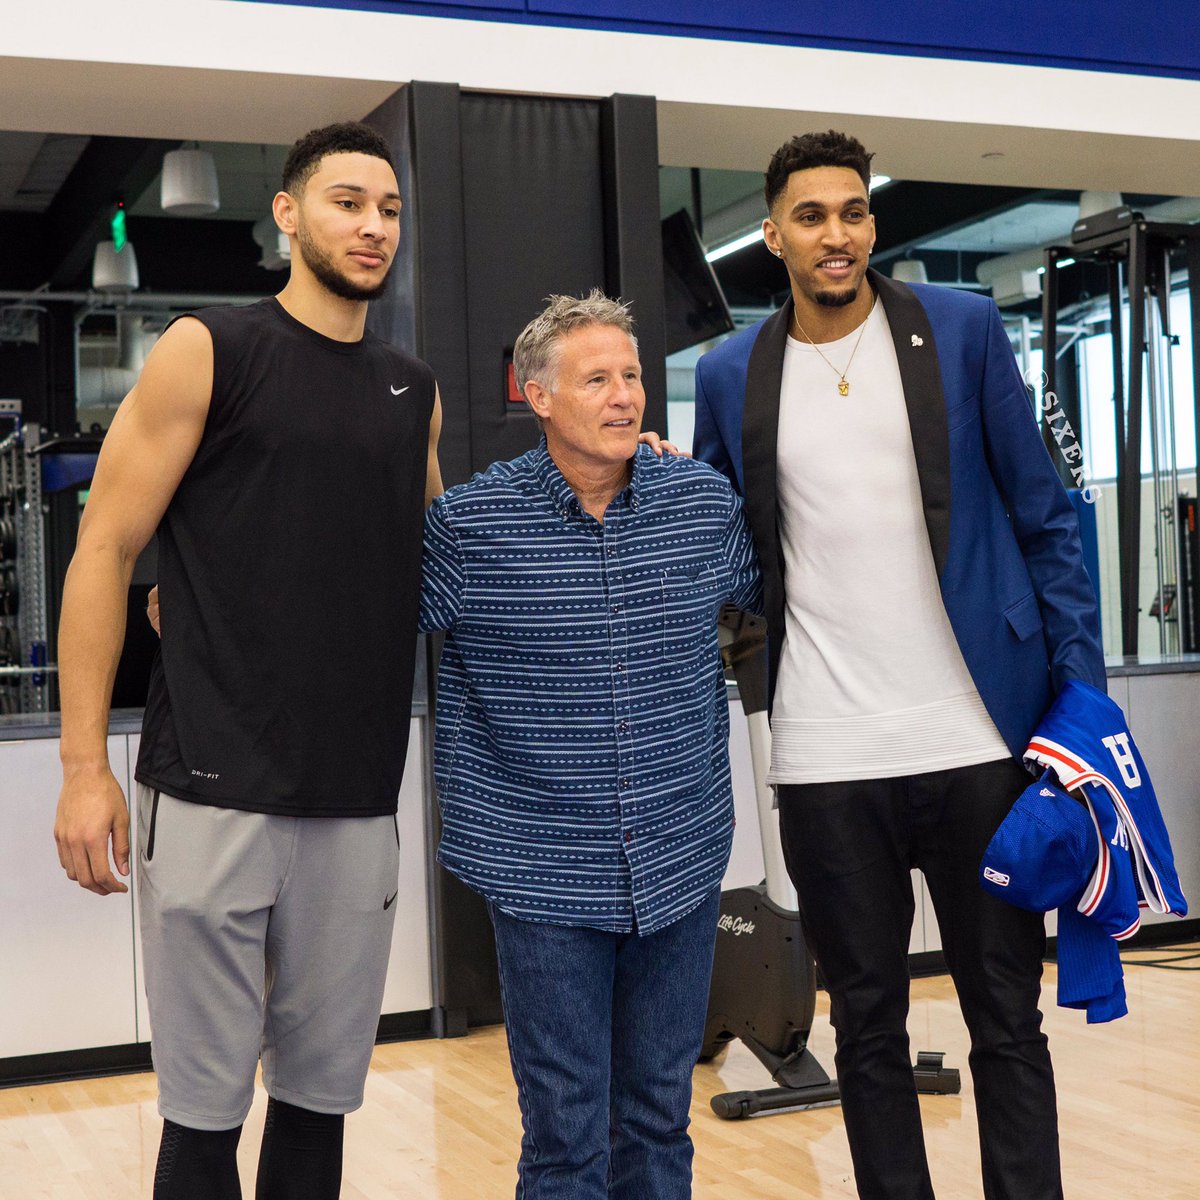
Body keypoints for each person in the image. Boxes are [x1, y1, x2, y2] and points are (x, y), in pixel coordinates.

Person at [692, 130, 1105, 1200]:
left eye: (855, 212)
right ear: (773, 233)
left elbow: (1048, 518)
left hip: (976, 742)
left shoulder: (961, 331)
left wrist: (1082, 689)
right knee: (866, 1023)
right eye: (814, 217)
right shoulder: (738, 370)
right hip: (827, 759)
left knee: (1004, 1019)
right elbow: (731, 556)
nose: (839, 235)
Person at [53, 122, 443, 1200]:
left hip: (356, 799)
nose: (372, 227)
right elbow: (104, 549)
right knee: (203, 1116)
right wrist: (83, 768)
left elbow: (447, 564)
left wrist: (607, 470)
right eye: (347, 202)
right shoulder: (208, 349)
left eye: (389, 210)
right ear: (287, 214)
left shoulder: (412, 388)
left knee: (320, 1109)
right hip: (215, 787)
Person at [419, 290, 761, 1199]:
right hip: (540, 873)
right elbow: (353, 622)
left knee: (658, 1118)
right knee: (566, 1133)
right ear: (536, 396)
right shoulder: (470, 527)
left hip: (680, 859)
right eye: (597, 379)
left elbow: (799, 593)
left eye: (633, 376)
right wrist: (211, 603)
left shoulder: (700, 504)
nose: (624, 397)